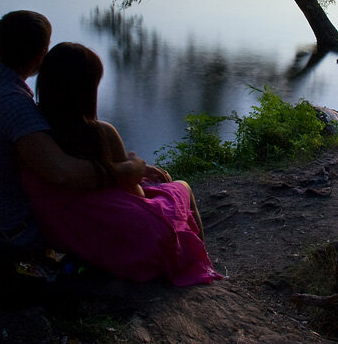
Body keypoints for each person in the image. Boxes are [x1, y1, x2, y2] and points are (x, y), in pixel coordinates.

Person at [0, 10, 157, 252]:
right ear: (41, 55)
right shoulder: (15, 105)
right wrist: (129, 168)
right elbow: (64, 173)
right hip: (10, 233)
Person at [21, 42, 220, 286]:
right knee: (182, 186)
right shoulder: (100, 133)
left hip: (67, 233)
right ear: (87, 89)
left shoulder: (32, 134)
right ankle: (199, 259)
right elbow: (134, 195)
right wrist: (132, 172)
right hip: (118, 239)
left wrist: (131, 171)